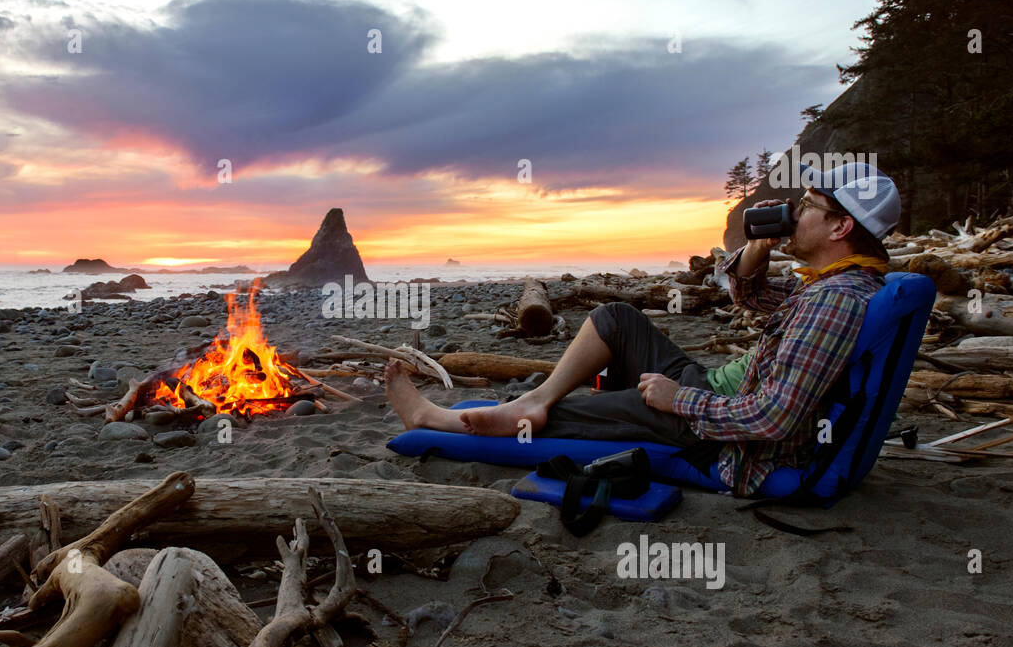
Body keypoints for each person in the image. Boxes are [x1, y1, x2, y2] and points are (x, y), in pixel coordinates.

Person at [384, 161, 903, 496]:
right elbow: (749, 296)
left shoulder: (835, 301)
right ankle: (535, 398)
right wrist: (761, 247)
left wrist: (678, 400)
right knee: (618, 318)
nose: (796, 212)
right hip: (716, 392)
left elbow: (772, 418)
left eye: (810, 206)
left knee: (573, 413)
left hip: (715, 433)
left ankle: (434, 421)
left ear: (840, 227)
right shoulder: (837, 285)